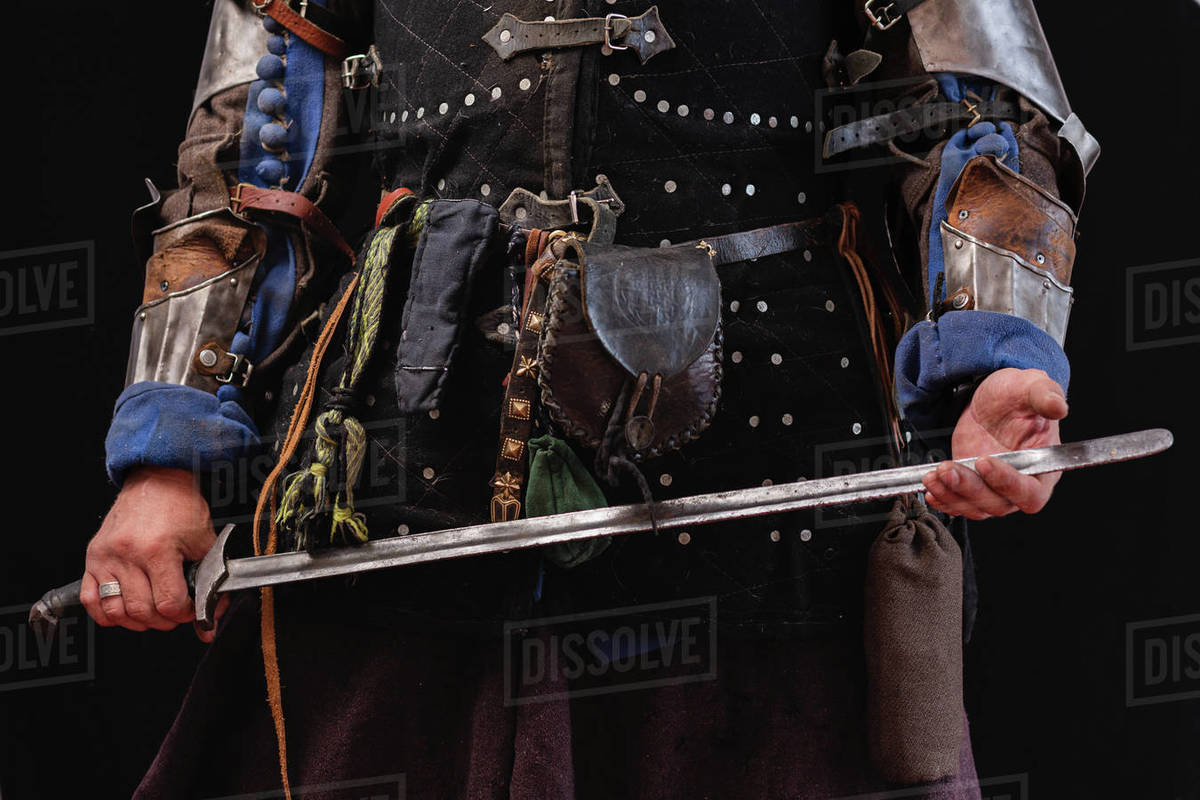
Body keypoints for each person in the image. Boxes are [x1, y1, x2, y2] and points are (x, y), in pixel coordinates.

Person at [80, 0, 1097, 797]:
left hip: (773, 454)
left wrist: (998, 355)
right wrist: (167, 454)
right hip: (407, 456)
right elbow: (246, 156)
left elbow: (984, 109)